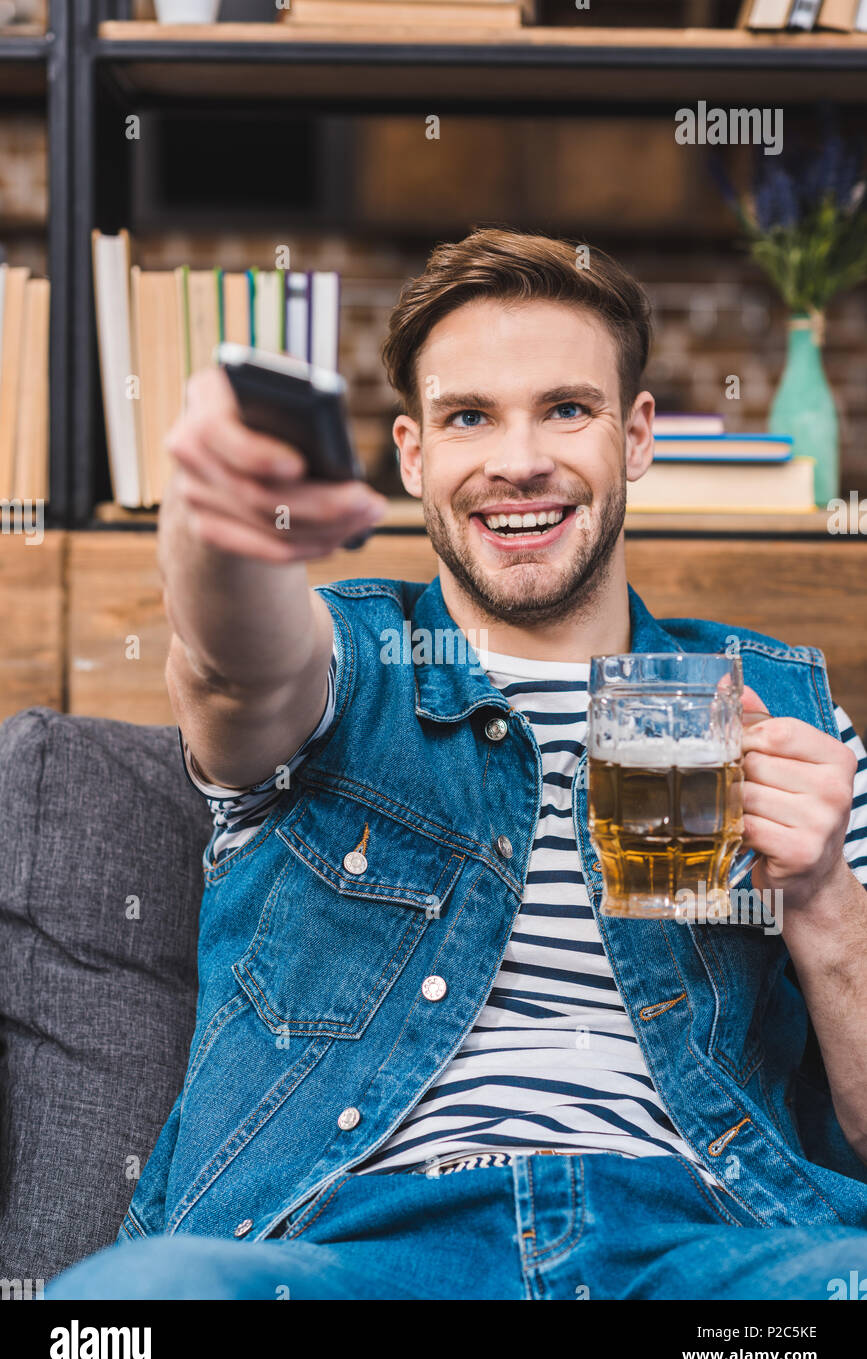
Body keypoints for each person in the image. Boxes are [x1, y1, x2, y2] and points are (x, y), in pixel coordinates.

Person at [48, 229, 867, 1301]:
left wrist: (819, 900)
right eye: (469, 416)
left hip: (699, 1248)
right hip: (354, 1249)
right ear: (412, 453)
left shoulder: (785, 713)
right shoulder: (350, 667)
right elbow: (235, 665)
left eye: (566, 409)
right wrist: (224, 524)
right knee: (126, 1310)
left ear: (636, 438)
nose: (517, 459)